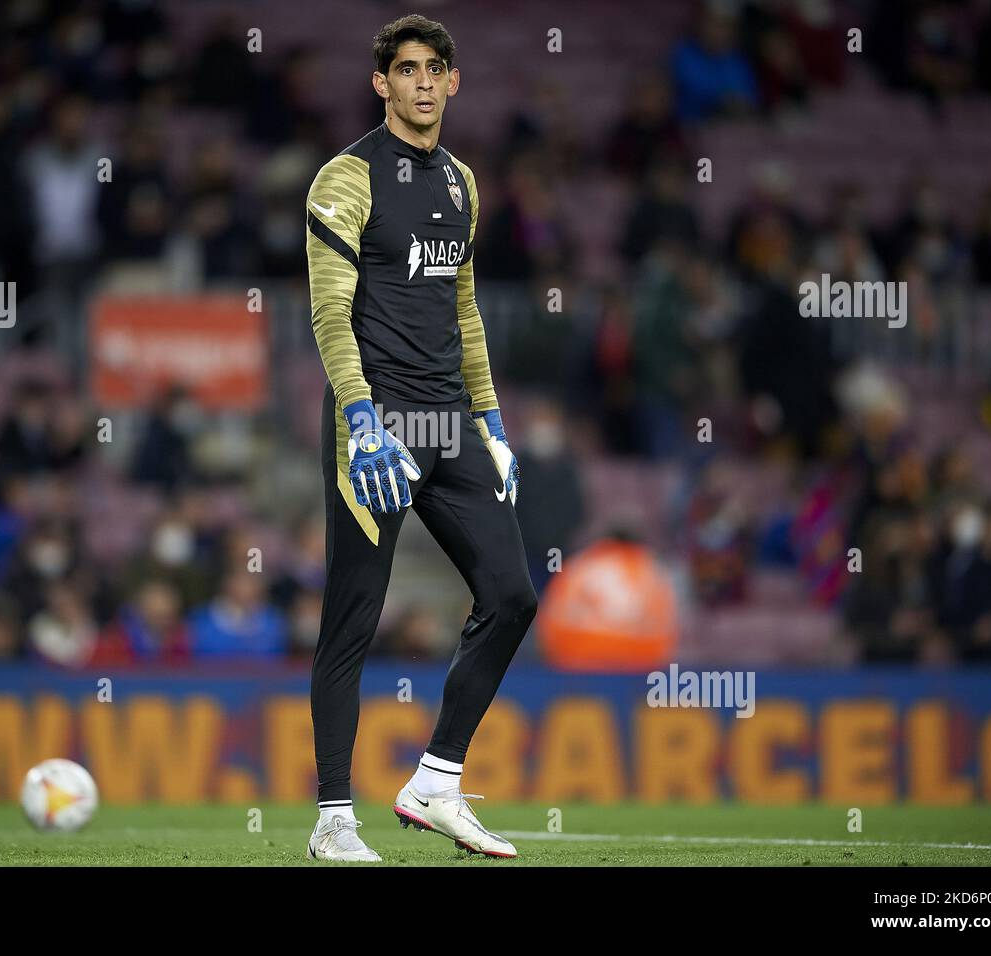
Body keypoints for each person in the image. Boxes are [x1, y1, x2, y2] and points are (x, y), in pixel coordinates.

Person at [303, 14, 536, 861]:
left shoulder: (464, 184)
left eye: (437, 68)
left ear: (454, 80)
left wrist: (493, 421)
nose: (424, 82)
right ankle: (333, 820)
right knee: (352, 621)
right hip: (380, 420)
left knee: (513, 595)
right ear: (382, 84)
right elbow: (330, 312)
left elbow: (463, 309)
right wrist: (360, 418)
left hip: (450, 421)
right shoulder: (345, 177)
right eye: (407, 69)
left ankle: (435, 781)